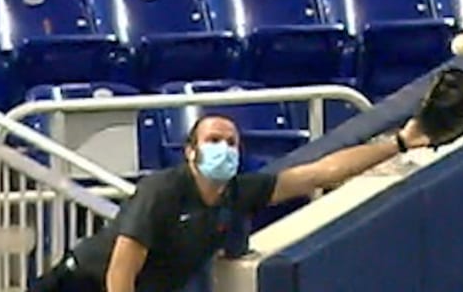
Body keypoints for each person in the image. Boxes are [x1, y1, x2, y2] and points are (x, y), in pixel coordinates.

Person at [28, 113, 434, 292]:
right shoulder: (162, 191)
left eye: (231, 142)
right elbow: (121, 274)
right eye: (213, 140)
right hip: (79, 285)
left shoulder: (241, 192)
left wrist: (400, 142)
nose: (223, 148)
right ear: (191, 151)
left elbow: (321, 172)